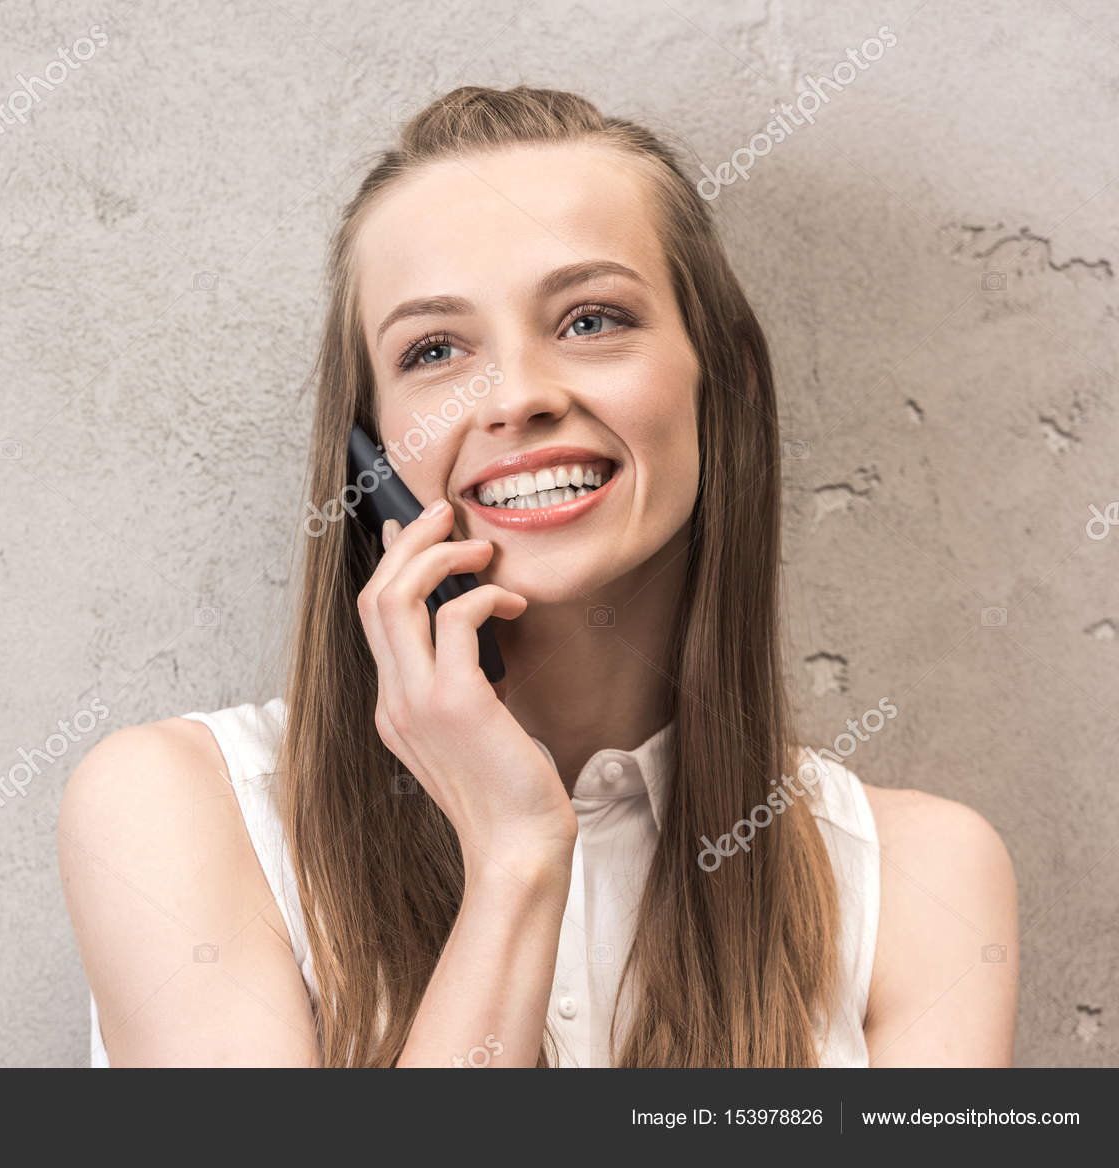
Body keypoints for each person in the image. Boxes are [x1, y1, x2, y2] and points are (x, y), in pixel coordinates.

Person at [59, 85, 1017, 1068]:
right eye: (434, 349)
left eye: (590, 320)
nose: (516, 396)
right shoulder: (178, 809)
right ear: (370, 450)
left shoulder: (921, 882)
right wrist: (514, 857)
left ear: (720, 379)